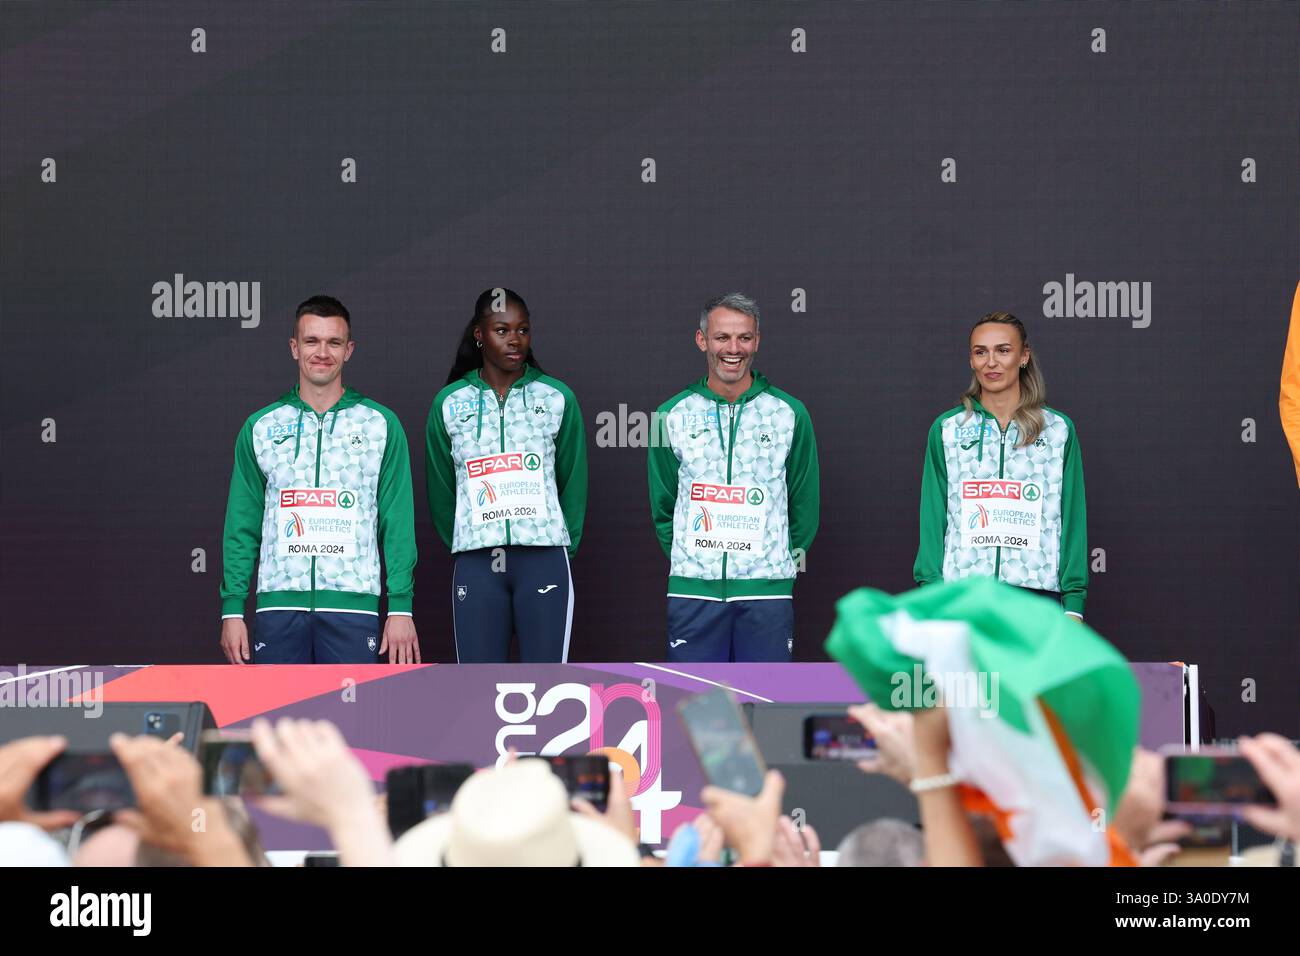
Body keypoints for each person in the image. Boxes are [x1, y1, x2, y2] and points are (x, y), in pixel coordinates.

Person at [219, 295, 419, 664]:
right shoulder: (262, 426)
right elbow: (242, 525)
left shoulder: (380, 425)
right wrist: (232, 609)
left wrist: (401, 607)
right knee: (279, 721)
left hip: (353, 608)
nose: (322, 352)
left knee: (353, 722)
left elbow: (397, 523)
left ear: (349, 350)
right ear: (295, 348)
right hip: (278, 608)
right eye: (312, 341)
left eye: (334, 342)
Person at [648, 292, 819, 662]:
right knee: (698, 709)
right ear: (702, 340)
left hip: (766, 593)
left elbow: (804, 503)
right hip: (694, 592)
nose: (733, 348)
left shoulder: (789, 413)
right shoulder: (669, 415)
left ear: (757, 341)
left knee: (765, 710)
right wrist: (693, 558)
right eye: (722, 337)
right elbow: (663, 506)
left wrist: (780, 565)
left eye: (744, 337)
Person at [425, 288, 587, 662]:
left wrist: (559, 547)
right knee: (478, 690)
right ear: (479, 335)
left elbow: (573, 483)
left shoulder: (556, 397)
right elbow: (441, 490)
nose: (515, 340)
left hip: (543, 558)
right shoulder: (449, 403)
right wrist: (468, 537)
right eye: (502, 330)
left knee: (548, 687)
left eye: (523, 330)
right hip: (477, 564)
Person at [913, 312, 1087, 618]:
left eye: (1003, 350)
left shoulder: (1058, 429)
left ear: (1024, 357)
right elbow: (933, 517)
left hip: (1035, 600)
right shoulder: (948, 429)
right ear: (971, 360)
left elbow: (1072, 517)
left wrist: (1073, 606)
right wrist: (932, 592)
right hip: (961, 598)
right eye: (981, 352)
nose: (991, 362)